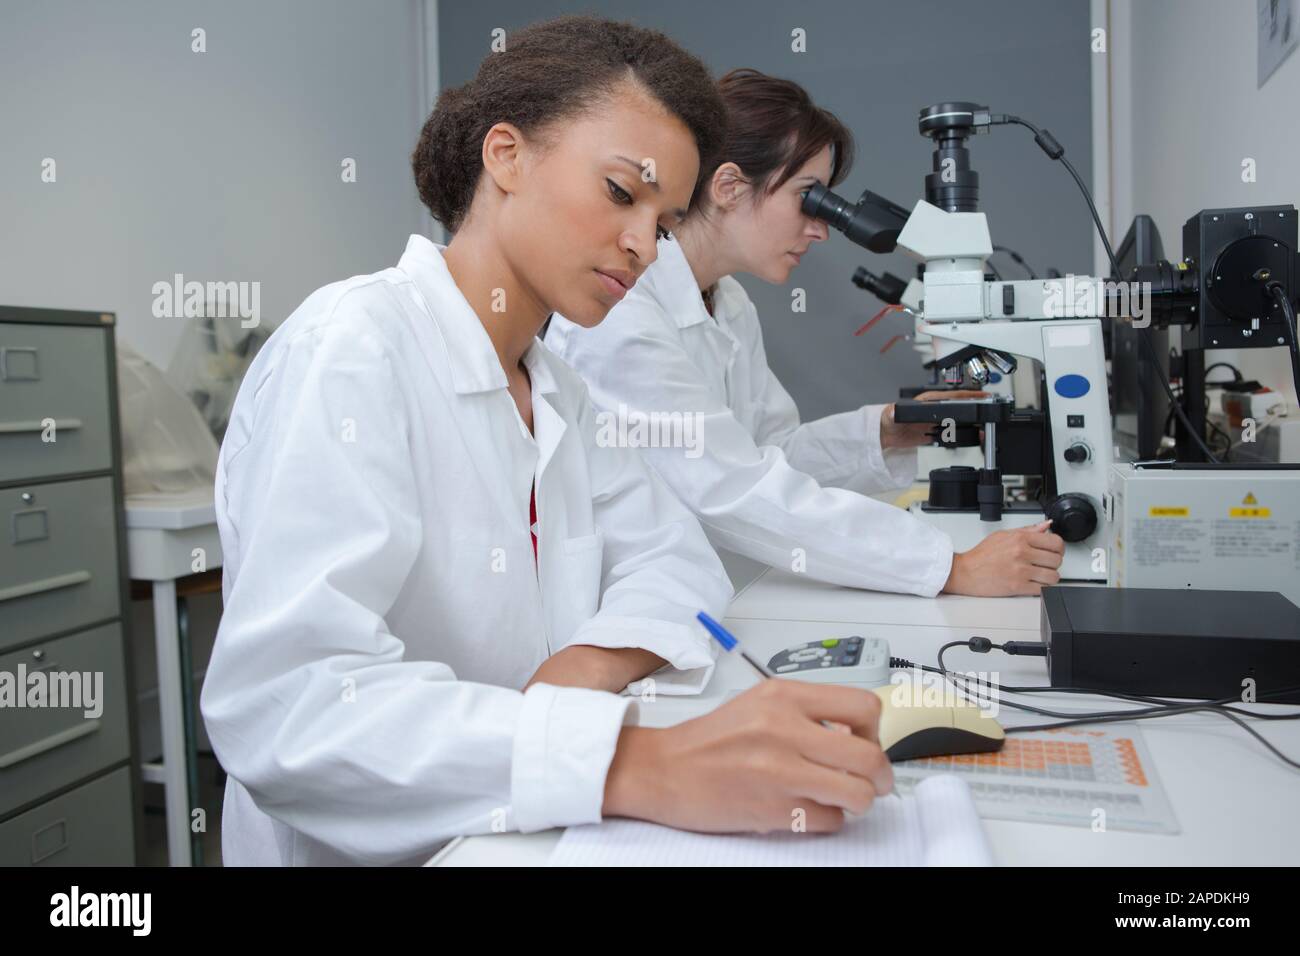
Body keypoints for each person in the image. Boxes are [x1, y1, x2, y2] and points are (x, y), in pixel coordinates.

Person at [200, 18, 891, 867]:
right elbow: (290, 706)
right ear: (506, 157)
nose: (643, 244)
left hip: (529, 828)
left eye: (666, 222)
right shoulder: (353, 348)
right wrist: (633, 761)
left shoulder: (557, 385)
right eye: (619, 193)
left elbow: (678, 565)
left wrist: (582, 673)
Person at [546, 68, 1065, 598]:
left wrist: (887, 432)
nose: (820, 227)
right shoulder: (622, 313)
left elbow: (770, 453)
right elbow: (731, 489)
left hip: (719, 592)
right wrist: (949, 568)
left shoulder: (728, 302)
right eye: (808, 198)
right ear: (728, 186)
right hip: (630, 609)